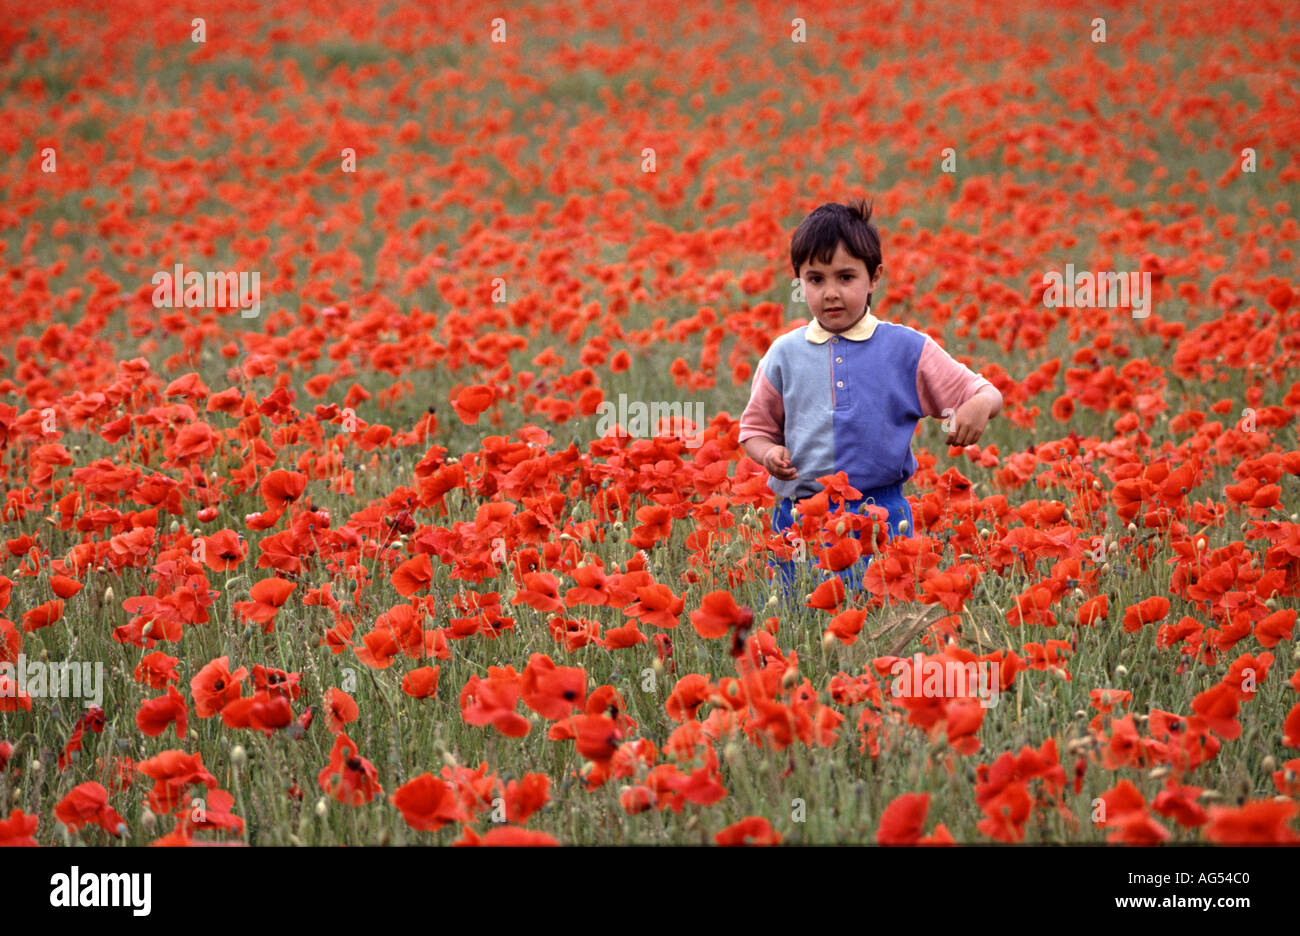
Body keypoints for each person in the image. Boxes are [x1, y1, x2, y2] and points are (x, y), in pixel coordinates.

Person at [739, 199, 1003, 603]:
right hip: (799, 518)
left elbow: (986, 392)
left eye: (846, 277)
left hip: (880, 516)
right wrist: (770, 453)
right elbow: (754, 431)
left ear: (874, 277)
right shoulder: (784, 354)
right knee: (798, 625)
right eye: (815, 279)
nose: (830, 293)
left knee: (878, 619)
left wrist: (978, 407)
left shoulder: (906, 349)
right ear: (799, 281)